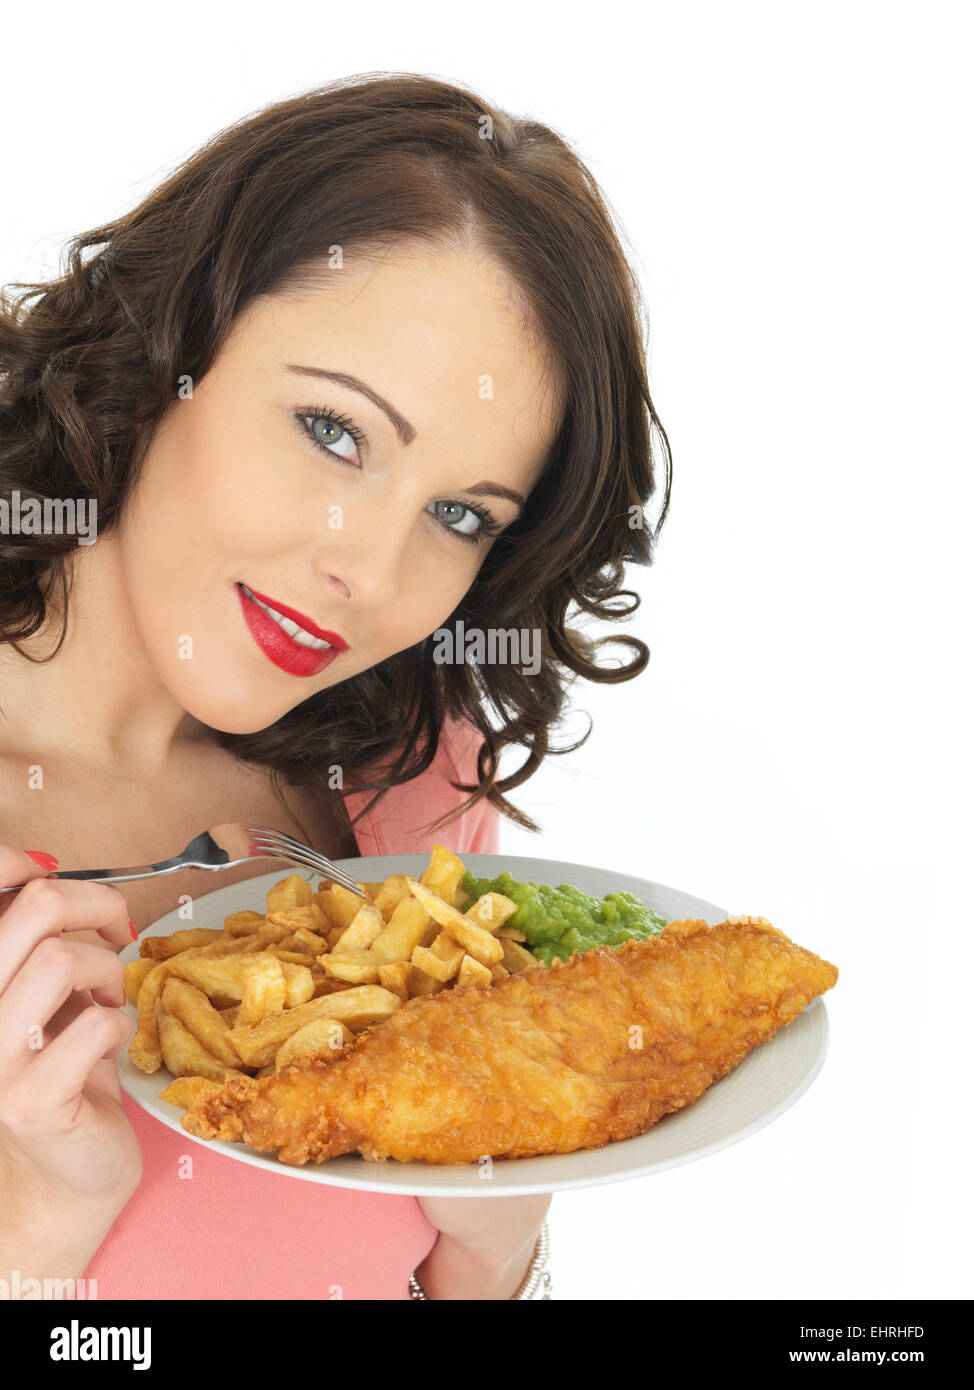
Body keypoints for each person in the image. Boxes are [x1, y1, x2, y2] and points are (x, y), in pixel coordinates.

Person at [0, 72, 670, 1300]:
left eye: (461, 514)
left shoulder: (411, 786)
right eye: (334, 431)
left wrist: (492, 1246)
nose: (366, 574)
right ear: (173, 345)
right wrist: (39, 1230)